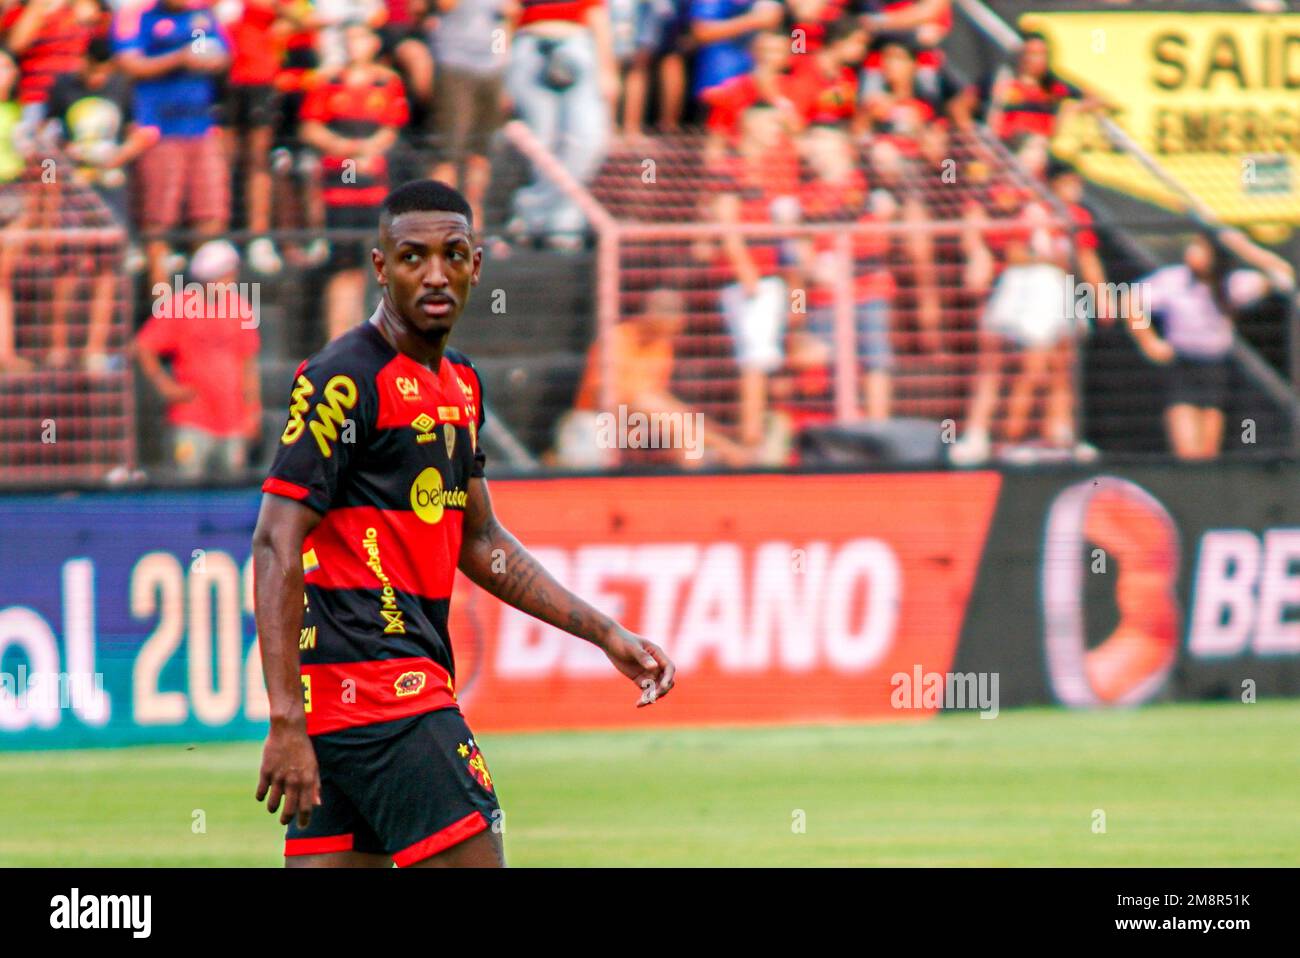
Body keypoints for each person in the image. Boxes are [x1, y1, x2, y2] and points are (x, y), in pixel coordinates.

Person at [251, 179, 676, 867]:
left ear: (477, 264)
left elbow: (480, 542)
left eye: (453, 254)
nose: (435, 273)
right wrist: (283, 716)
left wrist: (603, 631)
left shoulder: (461, 384)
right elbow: (275, 540)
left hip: (359, 708)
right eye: (413, 256)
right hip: (385, 692)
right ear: (380, 267)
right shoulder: (344, 379)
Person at [43, 33, 159, 372]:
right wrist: (66, 159)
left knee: (108, 267)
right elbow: (48, 138)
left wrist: (118, 156)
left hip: (111, 188)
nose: (98, 79)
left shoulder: (122, 88)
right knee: (69, 266)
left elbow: (144, 133)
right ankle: (58, 346)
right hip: (74, 187)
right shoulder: (63, 87)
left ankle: (95, 348)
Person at [1128, 228, 1295, 460]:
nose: (1192, 252)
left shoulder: (1233, 284)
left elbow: (1283, 275)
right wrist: (1148, 341)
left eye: (1201, 248)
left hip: (1214, 369)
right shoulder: (1173, 279)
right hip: (1183, 366)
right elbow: (1130, 299)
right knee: (1186, 451)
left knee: (1208, 453)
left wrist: (1243, 248)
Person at [298, 20, 409, 341]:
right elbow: (310, 127)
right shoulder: (328, 81)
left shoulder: (386, 83)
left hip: (374, 191)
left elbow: (392, 127)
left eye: (359, 38)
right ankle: (338, 338)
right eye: (347, 39)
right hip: (338, 192)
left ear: (373, 43)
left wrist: (367, 150)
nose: (352, 45)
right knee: (342, 266)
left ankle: (372, 339)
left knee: (373, 268)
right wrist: (346, 149)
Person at [556, 286, 752, 467]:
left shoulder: (662, 347)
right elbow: (601, 395)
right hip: (602, 421)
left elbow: (659, 398)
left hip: (643, 426)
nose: (672, 335)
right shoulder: (617, 339)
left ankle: (695, 480)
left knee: (680, 427)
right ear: (652, 317)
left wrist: (689, 418)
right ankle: (722, 452)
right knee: (659, 410)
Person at [112, 0, 232, 289]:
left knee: (211, 214)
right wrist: (178, 59)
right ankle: (161, 297)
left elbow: (222, 54)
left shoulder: (202, 17)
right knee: (158, 217)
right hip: (157, 129)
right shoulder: (140, 16)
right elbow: (129, 63)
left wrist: (212, 59)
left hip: (201, 128)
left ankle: (206, 295)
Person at [133, 239, 262, 478]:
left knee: (231, 492)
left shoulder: (240, 308)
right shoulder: (182, 306)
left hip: (232, 420)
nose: (228, 282)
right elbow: (143, 346)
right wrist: (166, 387)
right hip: (191, 418)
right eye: (223, 277)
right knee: (186, 487)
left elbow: (248, 363)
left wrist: (252, 411)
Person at [506, 0, 618, 248]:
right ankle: (553, 223)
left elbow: (597, 11)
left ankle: (547, 216)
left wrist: (608, 69)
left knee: (587, 141)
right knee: (539, 143)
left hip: (577, 40)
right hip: (528, 41)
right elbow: (507, 11)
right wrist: (501, 59)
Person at [427, 0, 511, 233]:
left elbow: (506, 18)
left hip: (491, 68)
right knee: (449, 149)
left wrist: (503, 65)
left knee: (481, 150)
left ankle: (474, 217)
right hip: (456, 63)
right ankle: (439, 219)